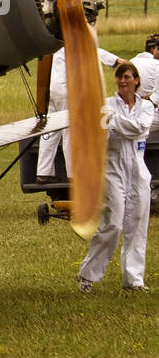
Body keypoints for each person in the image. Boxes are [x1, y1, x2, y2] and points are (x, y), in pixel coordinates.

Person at [77, 60, 156, 293]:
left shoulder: (147, 107)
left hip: (138, 168)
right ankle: (87, 276)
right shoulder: (106, 104)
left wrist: (114, 121)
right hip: (112, 167)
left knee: (138, 224)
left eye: (127, 77)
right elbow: (103, 130)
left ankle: (133, 279)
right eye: (120, 77)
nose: (123, 81)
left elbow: (141, 128)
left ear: (136, 81)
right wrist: (112, 122)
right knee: (113, 223)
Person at [36, 44, 120, 180]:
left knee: (50, 131)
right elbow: (91, 51)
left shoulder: (53, 42)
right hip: (65, 90)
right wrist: (116, 60)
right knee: (70, 131)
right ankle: (72, 174)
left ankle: (43, 172)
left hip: (50, 89)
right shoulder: (70, 40)